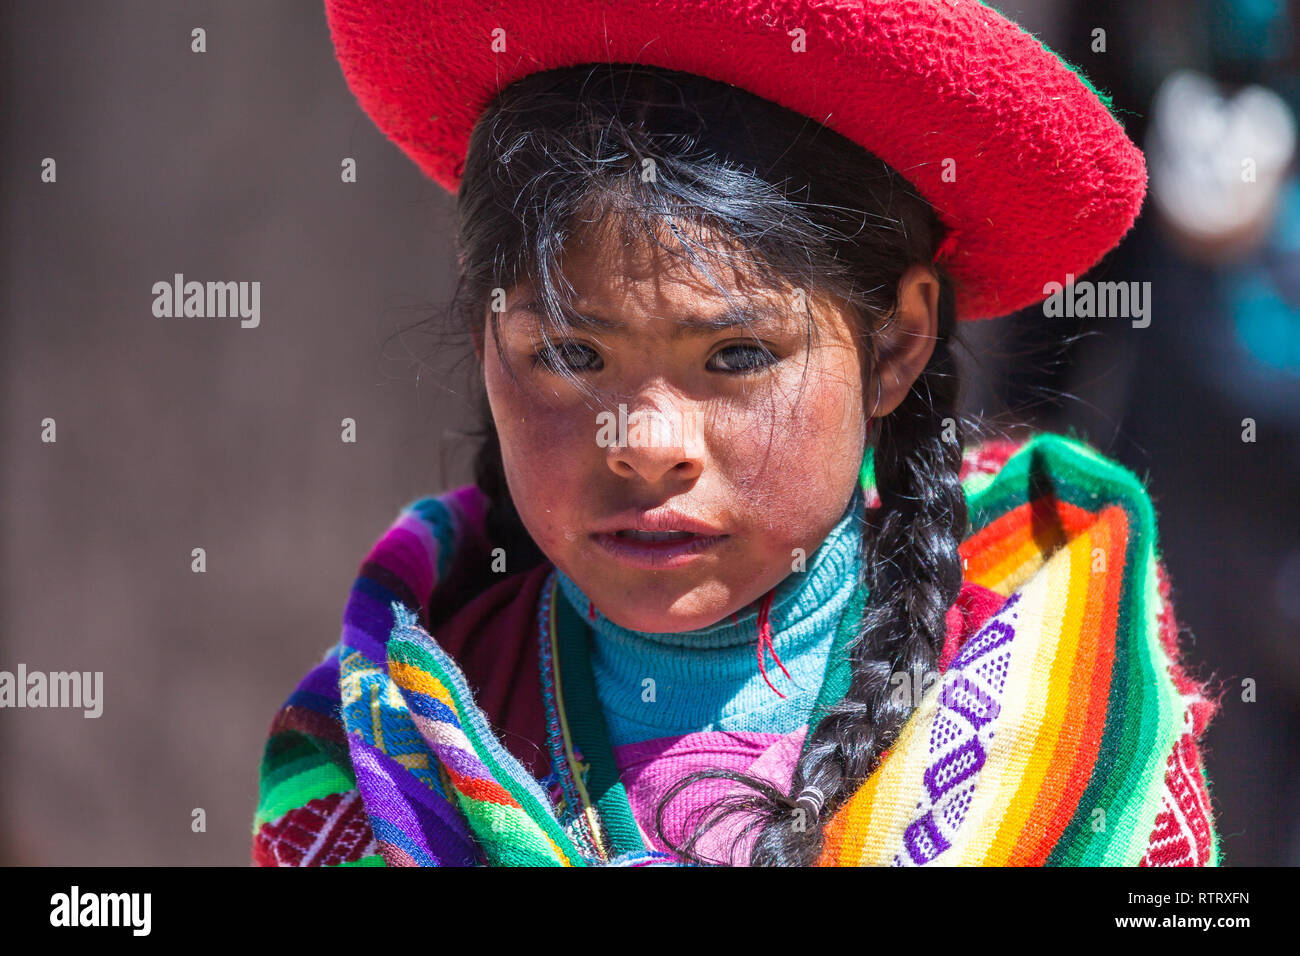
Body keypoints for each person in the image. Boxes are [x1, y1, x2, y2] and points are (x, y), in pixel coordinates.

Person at [251, 0, 1223, 867]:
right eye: (571, 356)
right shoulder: (368, 770)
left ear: (896, 341)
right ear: (485, 343)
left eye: (736, 355)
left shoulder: (1067, 707)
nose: (645, 441)